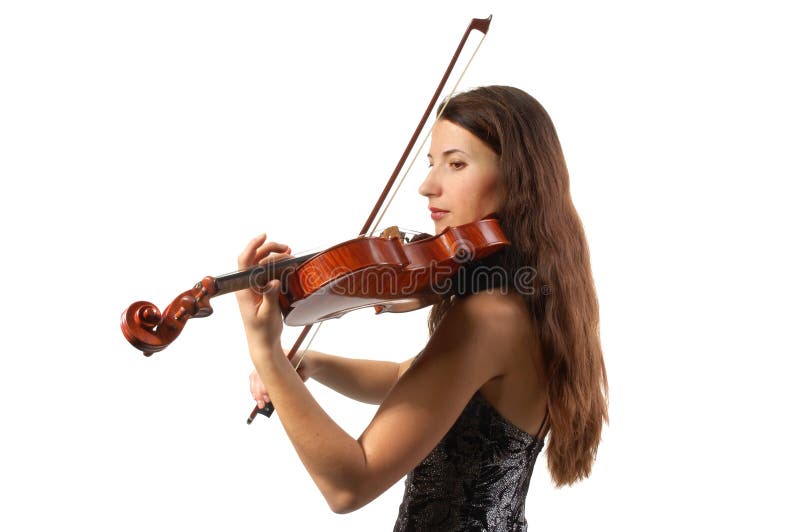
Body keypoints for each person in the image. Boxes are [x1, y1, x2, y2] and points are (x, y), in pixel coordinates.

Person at [236, 86, 608, 531]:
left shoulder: (488, 317)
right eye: (432, 163)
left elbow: (349, 484)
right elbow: (406, 380)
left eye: (456, 163)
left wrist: (267, 355)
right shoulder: (525, 300)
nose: (428, 185)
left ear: (518, 178)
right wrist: (314, 363)